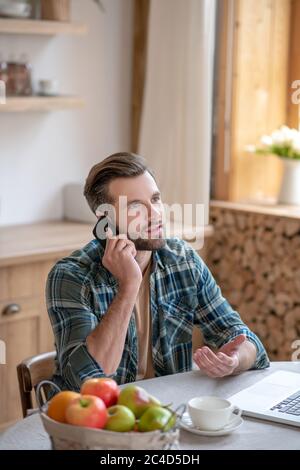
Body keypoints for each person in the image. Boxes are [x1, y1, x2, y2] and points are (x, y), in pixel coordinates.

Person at [46, 152, 269, 390]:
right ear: (106, 221)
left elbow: (245, 340)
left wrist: (233, 361)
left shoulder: (182, 260)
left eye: (155, 200)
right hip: (97, 419)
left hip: (166, 414)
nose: (155, 214)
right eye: (135, 206)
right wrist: (129, 285)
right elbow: (89, 381)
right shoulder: (71, 276)